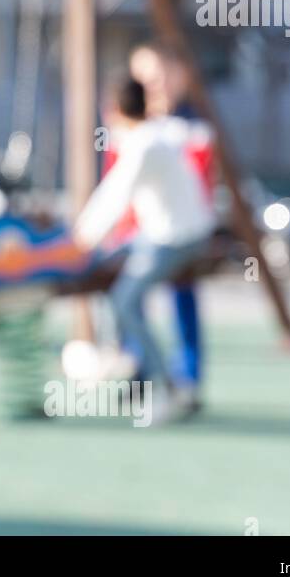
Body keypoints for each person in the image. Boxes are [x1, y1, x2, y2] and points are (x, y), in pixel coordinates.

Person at [72, 76, 216, 419]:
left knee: (126, 300)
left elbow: (115, 196)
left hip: (177, 238)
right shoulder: (154, 135)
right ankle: (115, 350)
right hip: (164, 232)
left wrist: (78, 242)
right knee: (107, 263)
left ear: (115, 110)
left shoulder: (144, 145)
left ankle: (163, 384)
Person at [129, 44, 214, 408]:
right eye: (144, 79)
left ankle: (186, 379)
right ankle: (143, 372)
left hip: (176, 234)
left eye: (159, 76)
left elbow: (199, 177)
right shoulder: (134, 125)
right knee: (128, 298)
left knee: (180, 296)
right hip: (141, 233)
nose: (153, 85)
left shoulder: (190, 126)